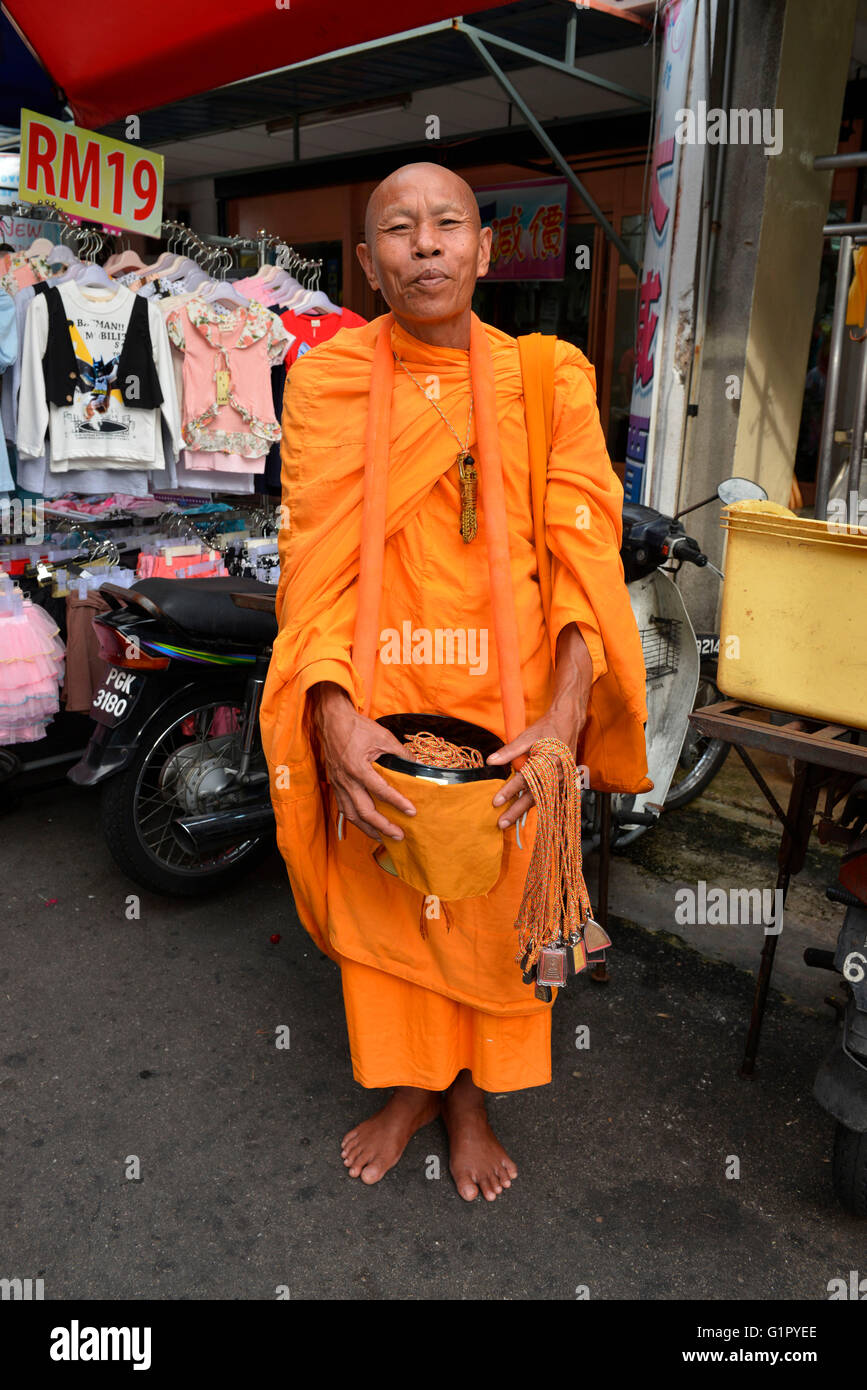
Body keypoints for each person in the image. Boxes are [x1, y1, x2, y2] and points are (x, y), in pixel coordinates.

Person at [259, 162, 650, 1202]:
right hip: (385, 702)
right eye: (398, 227)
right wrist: (332, 716)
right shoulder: (329, 384)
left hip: (517, 708)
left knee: (493, 911)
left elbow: (584, 560)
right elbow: (315, 573)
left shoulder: (548, 376)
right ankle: (412, 1088)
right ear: (369, 263)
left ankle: (470, 1100)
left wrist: (567, 717)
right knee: (393, 909)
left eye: (447, 225)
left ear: (484, 250)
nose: (425, 243)